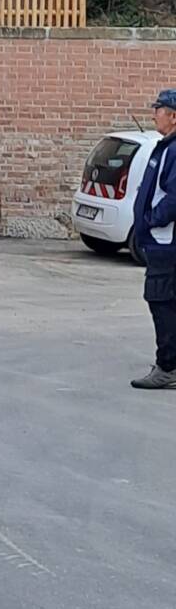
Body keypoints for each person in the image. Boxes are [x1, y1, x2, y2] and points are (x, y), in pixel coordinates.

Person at [131, 89, 176, 387]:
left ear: (173, 116)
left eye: (158, 109)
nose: (153, 114)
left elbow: (173, 197)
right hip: (162, 241)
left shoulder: (174, 150)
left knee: (161, 301)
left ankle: (168, 368)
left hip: (166, 242)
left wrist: (150, 220)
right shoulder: (167, 147)